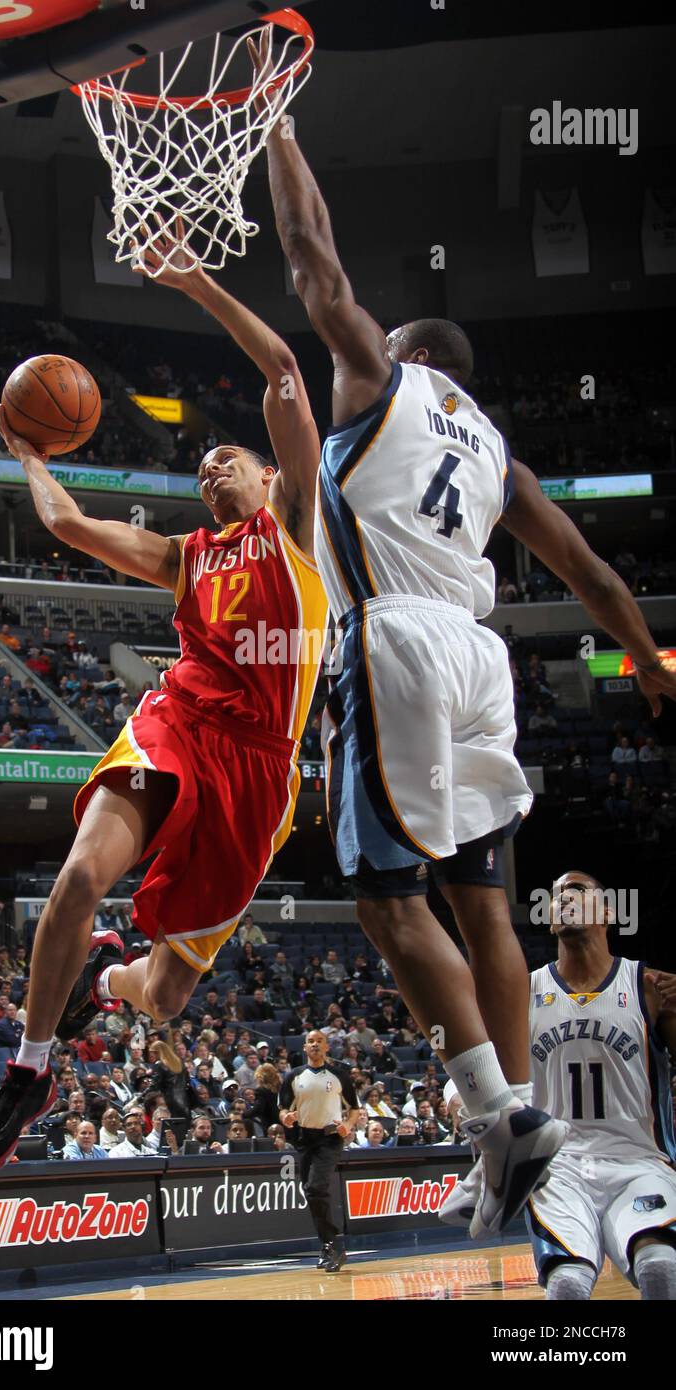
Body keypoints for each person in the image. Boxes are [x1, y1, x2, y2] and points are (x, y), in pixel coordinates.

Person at [255, 18, 676, 1240]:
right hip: (487, 661)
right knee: (486, 906)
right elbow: (594, 579)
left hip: (393, 642)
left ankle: (499, 1113)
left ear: (412, 355)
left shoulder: (383, 380)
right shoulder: (500, 456)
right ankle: (518, 1127)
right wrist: (648, 663)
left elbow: (315, 269)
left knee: (388, 904)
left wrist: (274, 123)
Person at [0, 244, 326, 1173]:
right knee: (79, 878)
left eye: (227, 460)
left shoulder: (296, 528)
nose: (212, 472)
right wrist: (26, 454)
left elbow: (284, 369)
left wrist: (194, 282)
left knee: (162, 996)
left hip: (261, 766)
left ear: (267, 477)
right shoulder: (184, 556)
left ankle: (112, 978)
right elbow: (69, 526)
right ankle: (33, 1065)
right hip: (180, 724)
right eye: (202, 468)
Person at [443, 870, 676, 1303]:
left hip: (640, 1159)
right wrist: (459, 1097)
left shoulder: (651, 988)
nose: (565, 899)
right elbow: (470, 1064)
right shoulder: (521, 992)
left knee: (661, 1269)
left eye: (578, 891)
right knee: (567, 1285)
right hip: (558, 1167)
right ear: (549, 920)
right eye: (556, 896)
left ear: (608, 912)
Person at [279, 1030, 361, 1273]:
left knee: (316, 1187)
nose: (315, 1045)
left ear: (326, 1047)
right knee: (311, 1192)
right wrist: (287, 1118)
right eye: (310, 1042)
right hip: (305, 1138)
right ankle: (328, 1244)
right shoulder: (294, 1076)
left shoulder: (339, 1075)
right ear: (304, 1048)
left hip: (330, 1138)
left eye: (319, 1041)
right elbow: (282, 1109)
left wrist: (347, 1125)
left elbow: (354, 1108)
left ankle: (333, 1244)